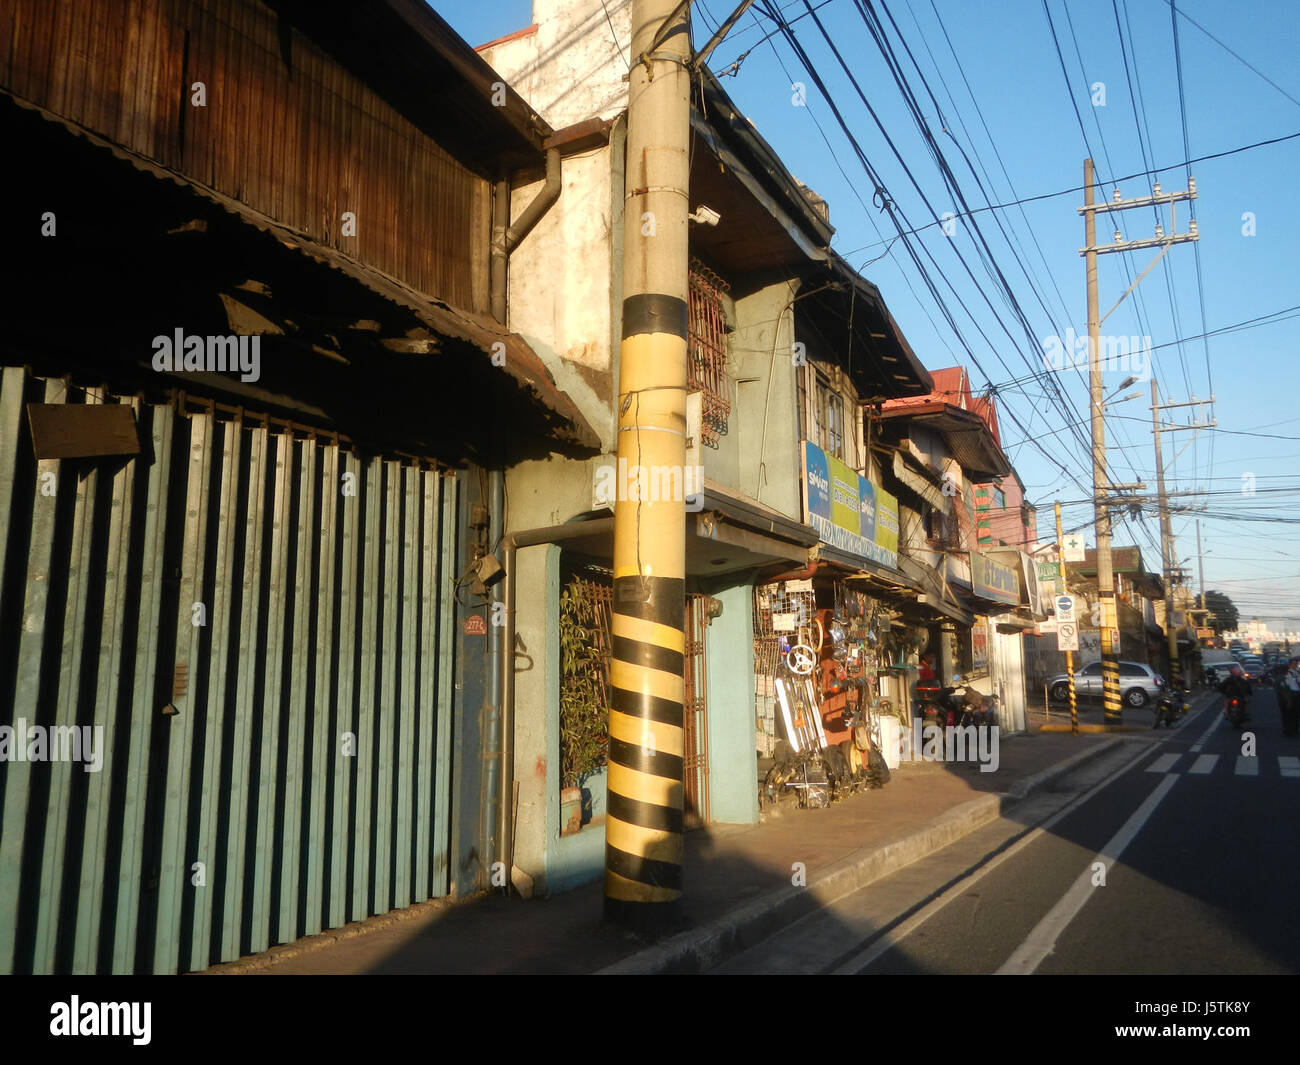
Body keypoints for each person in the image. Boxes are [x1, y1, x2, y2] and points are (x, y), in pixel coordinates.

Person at [1280, 657, 1300, 737]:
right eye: (1294, 663)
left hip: (1297, 694)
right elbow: (1285, 686)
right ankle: (1289, 730)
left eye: (1296, 663)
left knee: (1296, 714)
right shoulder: (1288, 674)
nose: (1295, 665)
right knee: (1290, 714)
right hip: (1291, 695)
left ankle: (1294, 729)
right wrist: (1287, 698)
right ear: (1290, 665)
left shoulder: (1297, 673)